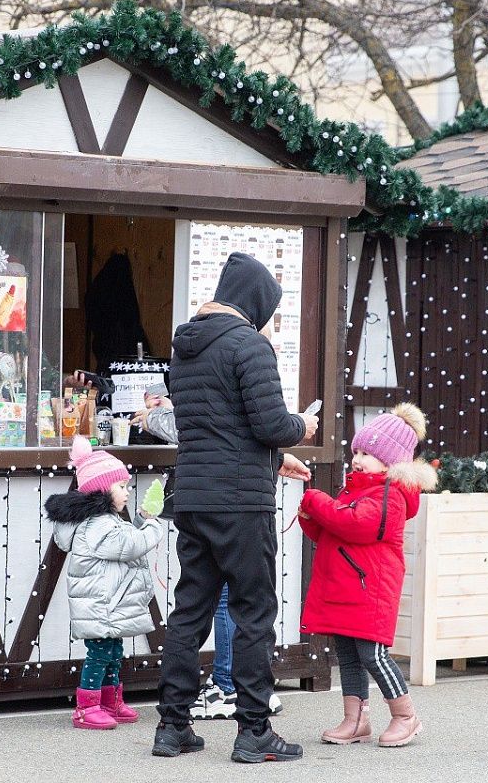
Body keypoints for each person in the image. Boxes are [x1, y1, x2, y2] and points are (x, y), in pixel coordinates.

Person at [152, 252, 318, 764]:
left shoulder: (185, 350)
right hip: (242, 503)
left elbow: (222, 426)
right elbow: (269, 425)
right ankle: (253, 732)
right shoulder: (250, 346)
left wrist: (275, 456)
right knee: (253, 612)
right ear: (254, 304)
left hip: (195, 497)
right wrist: (301, 428)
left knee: (190, 611)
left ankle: (171, 727)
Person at [131, 393, 287, 719]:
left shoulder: (198, 362)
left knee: (197, 606)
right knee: (245, 603)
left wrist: (151, 417)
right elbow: (256, 427)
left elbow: (193, 427)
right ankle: (246, 692)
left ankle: (218, 693)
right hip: (243, 499)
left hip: (204, 498)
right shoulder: (242, 361)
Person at [298, 403, 437, 748]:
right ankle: (355, 719)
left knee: (372, 655)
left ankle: (405, 716)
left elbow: (358, 526)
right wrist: (311, 519)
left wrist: (316, 501)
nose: (357, 459)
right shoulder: (358, 489)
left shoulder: (390, 493)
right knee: (346, 654)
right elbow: (335, 533)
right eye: (356, 451)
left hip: (371, 590)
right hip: (349, 586)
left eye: (368, 453)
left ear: (390, 461)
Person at [44, 436, 168, 730]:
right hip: (101, 604)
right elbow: (130, 545)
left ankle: (110, 701)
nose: (127, 491)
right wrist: (152, 524)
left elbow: (123, 539)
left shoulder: (103, 520)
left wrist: (138, 519)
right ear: (102, 489)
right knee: (100, 653)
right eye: (122, 486)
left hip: (108, 603)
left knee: (113, 651)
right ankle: (87, 708)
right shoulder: (98, 525)